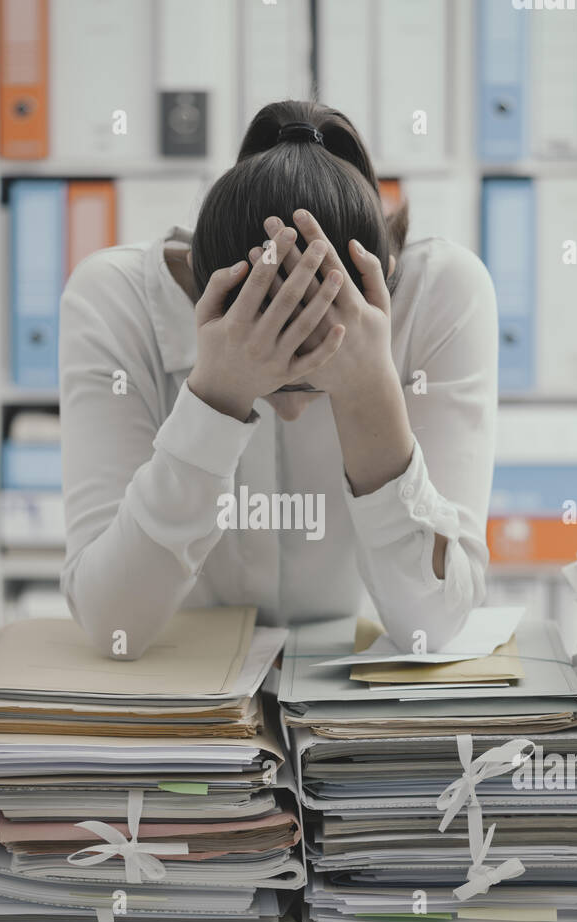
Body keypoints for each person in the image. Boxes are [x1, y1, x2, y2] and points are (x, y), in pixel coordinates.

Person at [59, 100, 498, 658]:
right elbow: (112, 625)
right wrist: (216, 398)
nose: (289, 413)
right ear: (202, 290)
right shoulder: (112, 300)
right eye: (270, 378)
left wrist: (368, 393)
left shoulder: (443, 293)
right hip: (192, 702)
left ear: (380, 284)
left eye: (315, 376)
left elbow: (432, 627)